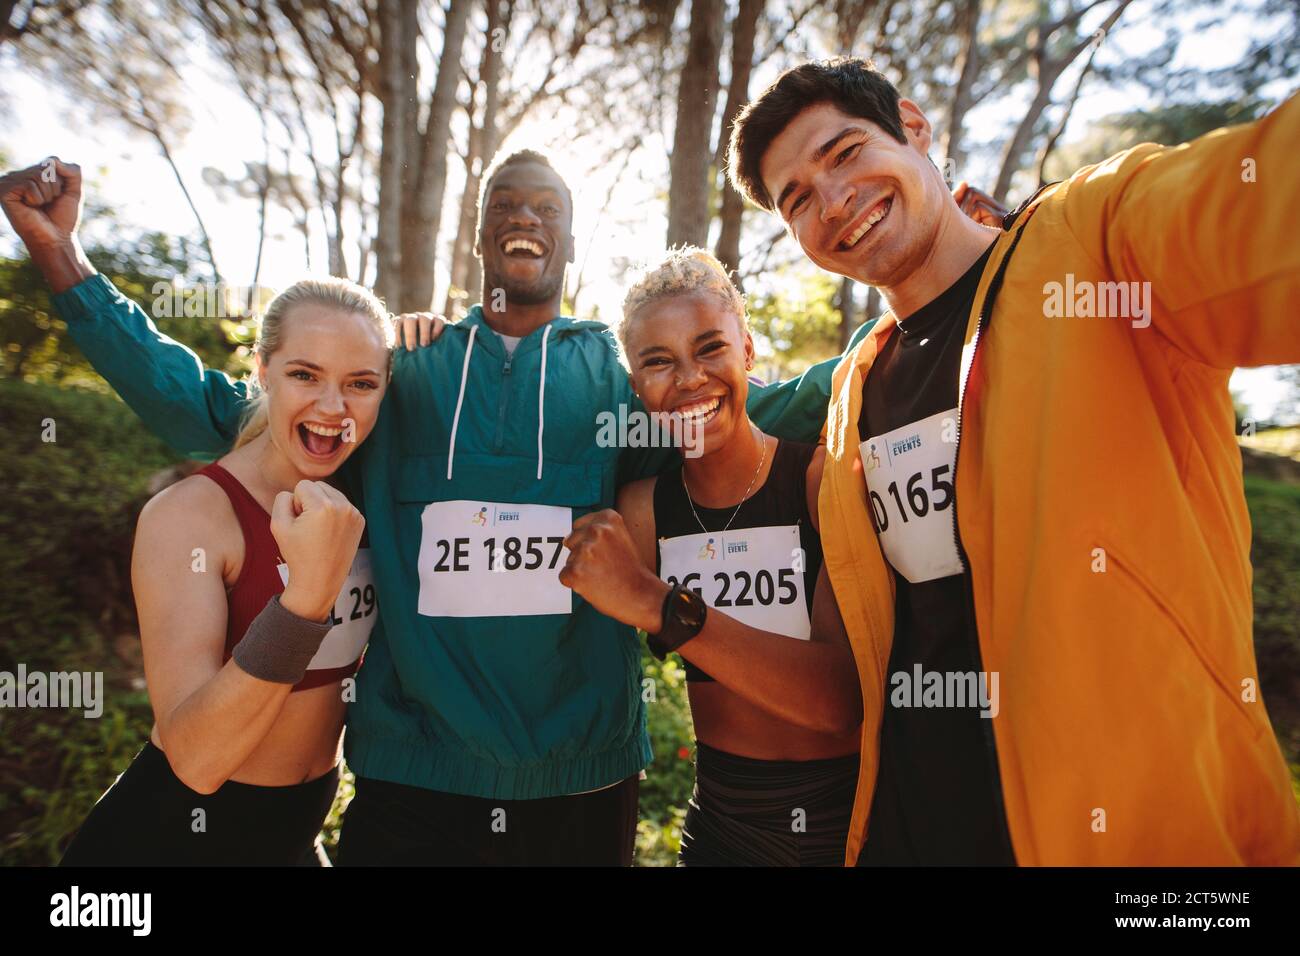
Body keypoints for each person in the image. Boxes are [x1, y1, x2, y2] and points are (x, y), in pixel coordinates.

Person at [0, 151, 868, 866]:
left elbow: (778, 408)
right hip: (413, 786)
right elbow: (208, 405)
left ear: (573, 235)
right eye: (506, 202)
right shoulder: (400, 372)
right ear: (480, 229)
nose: (527, 216)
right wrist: (65, 265)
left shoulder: (622, 376)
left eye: (548, 205)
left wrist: (921, 306)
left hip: (583, 779)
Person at [726, 56, 1300, 865]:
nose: (833, 200)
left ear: (915, 128)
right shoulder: (855, 387)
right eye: (796, 200)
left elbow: (1262, 204)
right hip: (911, 832)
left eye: (845, 152)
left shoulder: (1093, 243)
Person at [48, 268, 394, 863]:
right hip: (172, 841)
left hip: (293, 832)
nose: (333, 407)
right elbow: (196, 759)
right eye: (304, 374)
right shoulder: (191, 516)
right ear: (261, 371)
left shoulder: (360, 499)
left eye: (361, 383)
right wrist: (306, 601)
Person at [559, 248, 862, 865]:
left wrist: (658, 604)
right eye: (659, 362)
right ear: (637, 387)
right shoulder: (641, 512)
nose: (690, 378)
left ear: (747, 351)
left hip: (846, 820)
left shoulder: (821, 481)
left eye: (710, 348)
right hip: (718, 824)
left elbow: (837, 701)